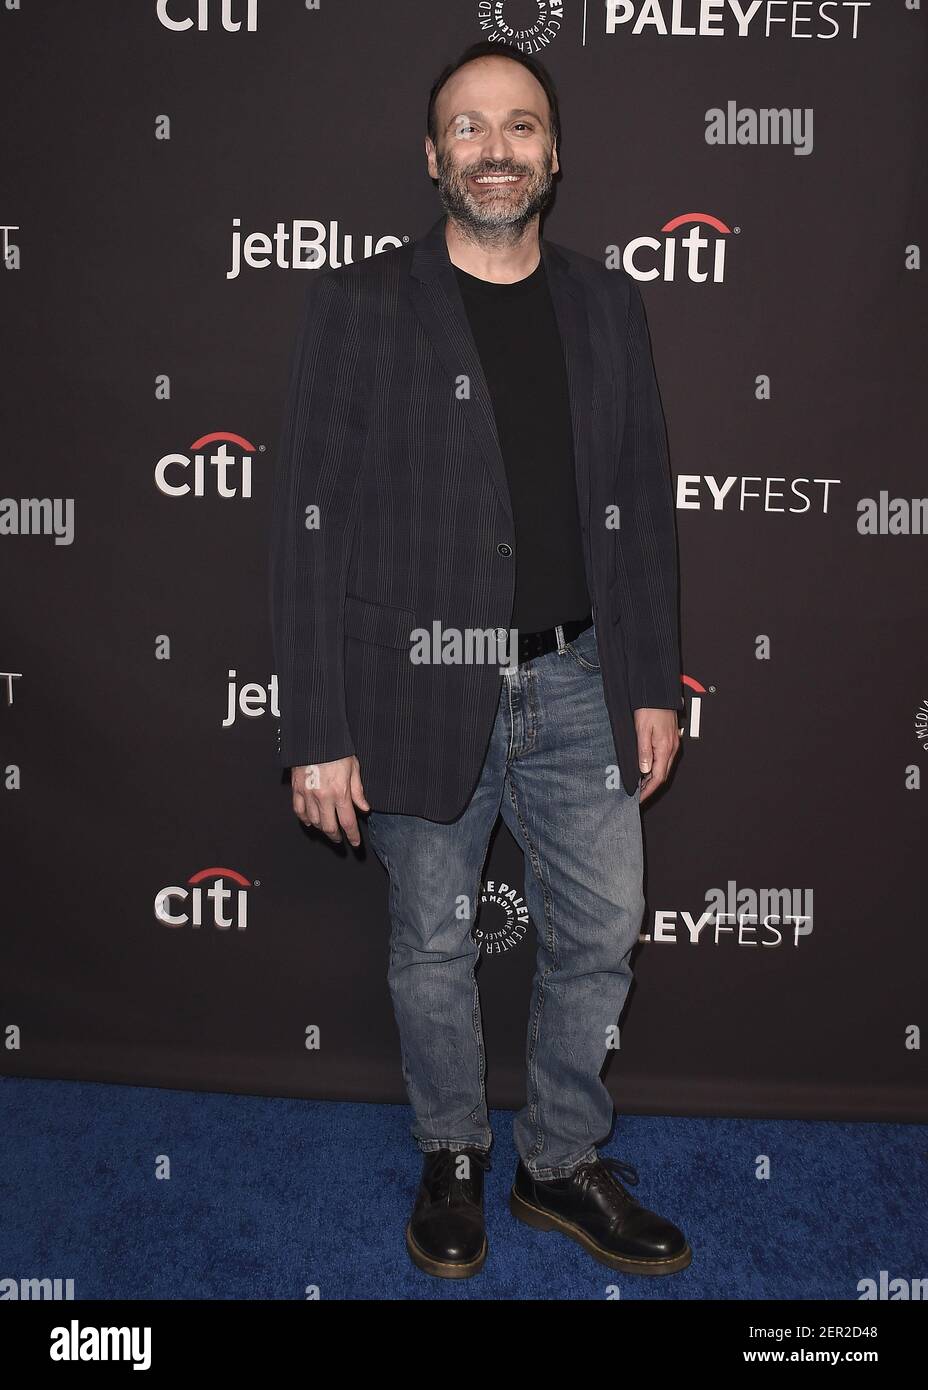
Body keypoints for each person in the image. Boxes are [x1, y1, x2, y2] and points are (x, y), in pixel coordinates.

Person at [269, 40, 690, 1280]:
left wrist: (653, 678)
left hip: (580, 679)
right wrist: (314, 726)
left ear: (553, 154)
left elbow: (643, 505)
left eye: (518, 126)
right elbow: (306, 520)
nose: (494, 147)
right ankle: (451, 1152)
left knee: (600, 930)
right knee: (430, 945)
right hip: (409, 684)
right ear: (432, 156)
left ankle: (557, 1161)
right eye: (468, 127)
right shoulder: (358, 305)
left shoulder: (609, 304)